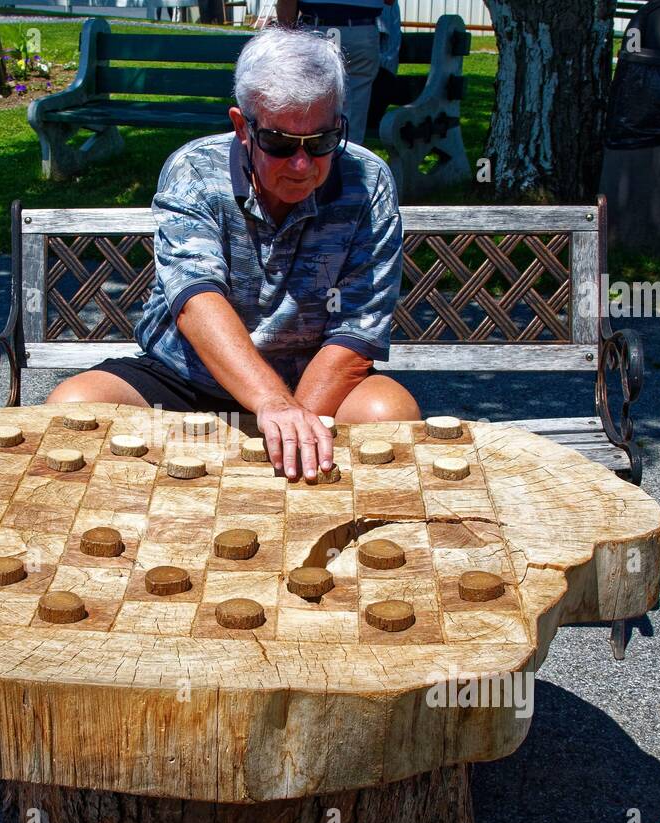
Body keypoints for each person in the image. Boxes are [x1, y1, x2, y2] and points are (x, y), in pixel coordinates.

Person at [45, 27, 421, 484]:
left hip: (312, 380)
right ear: (243, 127)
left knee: (391, 415)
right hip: (185, 377)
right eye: (281, 144)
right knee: (71, 409)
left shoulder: (369, 182)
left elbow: (356, 332)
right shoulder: (193, 171)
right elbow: (196, 300)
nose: (302, 164)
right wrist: (272, 406)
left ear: (340, 124)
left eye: (321, 142)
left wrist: (292, 421)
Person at [275, 0, 394, 144]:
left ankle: (314, 154)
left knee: (311, 104)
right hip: (362, 30)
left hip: (316, 29)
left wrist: (286, 40)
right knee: (354, 116)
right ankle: (348, 160)